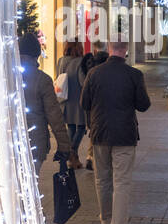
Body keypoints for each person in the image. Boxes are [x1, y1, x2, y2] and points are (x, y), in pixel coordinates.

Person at [80, 39, 151, 224]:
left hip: (100, 133)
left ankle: (106, 218)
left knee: (102, 179)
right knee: (121, 182)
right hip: (125, 135)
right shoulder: (134, 75)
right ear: (125, 50)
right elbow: (143, 105)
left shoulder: (94, 73)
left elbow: (84, 103)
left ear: (109, 49)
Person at [19, 34, 71, 170]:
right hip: (34, 142)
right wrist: (64, 146)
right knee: (31, 184)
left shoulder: (6, 79)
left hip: (7, 143)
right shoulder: (42, 80)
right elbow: (54, 115)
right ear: (37, 54)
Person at [56, 39, 86, 169]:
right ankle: (72, 152)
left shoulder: (61, 60)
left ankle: (70, 155)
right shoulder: (80, 62)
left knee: (72, 127)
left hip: (65, 99)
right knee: (81, 128)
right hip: (77, 101)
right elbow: (82, 81)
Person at [78, 40, 108, 169]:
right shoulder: (107, 62)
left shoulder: (89, 63)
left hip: (92, 104)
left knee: (94, 129)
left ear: (95, 49)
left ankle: (90, 156)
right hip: (104, 103)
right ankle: (93, 157)